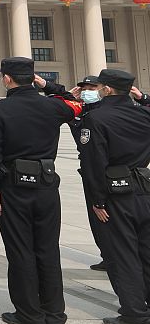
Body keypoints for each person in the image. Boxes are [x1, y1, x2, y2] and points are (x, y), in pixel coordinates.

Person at [0, 56, 81, 324]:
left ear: (7, 79)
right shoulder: (53, 106)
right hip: (47, 185)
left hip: (14, 186)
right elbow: (76, 103)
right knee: (48, 249)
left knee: (21, 250)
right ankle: (54, 314)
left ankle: (29, 314)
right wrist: (48, 85)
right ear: (33, 78)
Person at [78, 69, 150, 324]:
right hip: (144, 187)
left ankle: (133, 314)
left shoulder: (96, 118)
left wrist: (97, 200)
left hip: (115, 193)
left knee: (123, 254)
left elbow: (94, 164)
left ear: (106, 89)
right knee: (146, 251)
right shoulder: (144, 114)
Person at [46, 75, 109, 271]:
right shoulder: (78, 111)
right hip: (89, 168)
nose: (87, 90)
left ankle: (118, 255)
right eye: (84, 88)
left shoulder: (106, 111)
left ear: (104, 89)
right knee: (96, 217)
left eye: (92, 87)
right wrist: (67, 98)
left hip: (108, 169)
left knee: (109, 215)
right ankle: (107, 254)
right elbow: (44, 111)